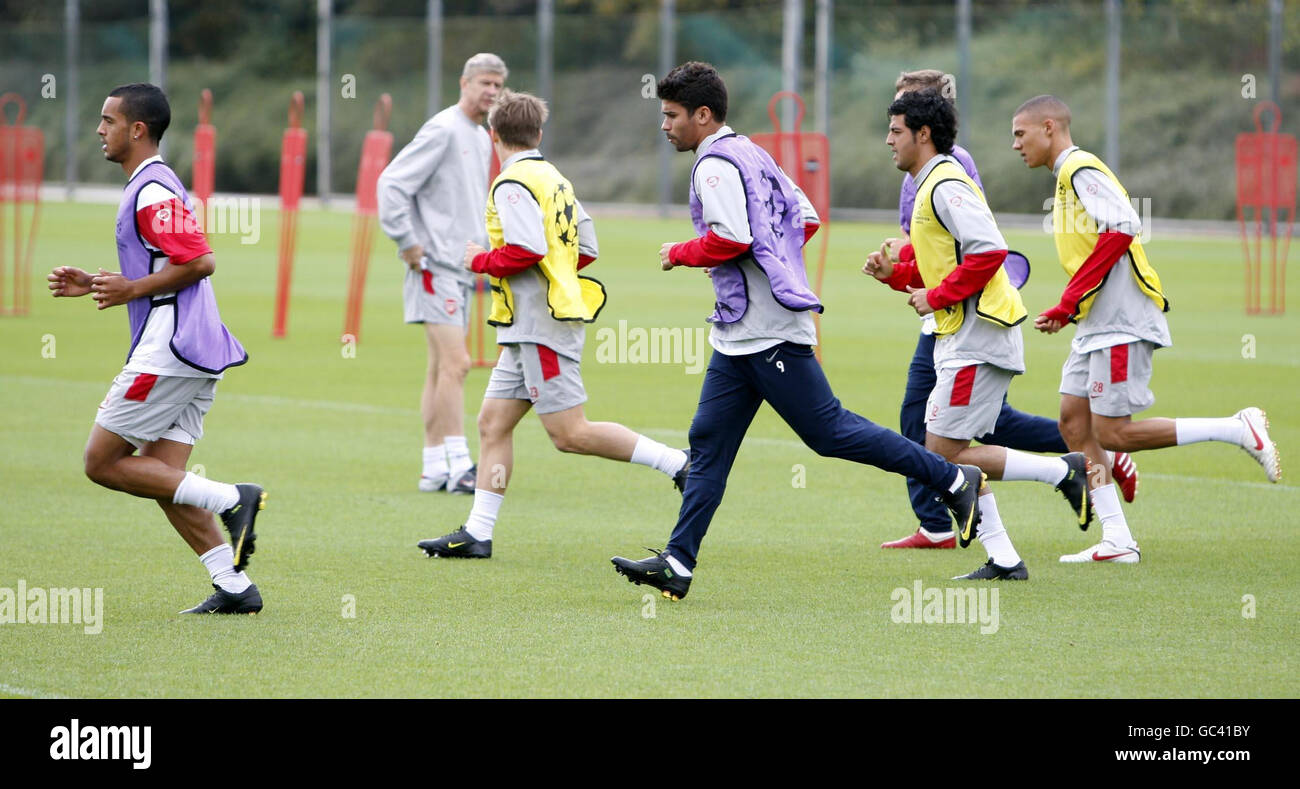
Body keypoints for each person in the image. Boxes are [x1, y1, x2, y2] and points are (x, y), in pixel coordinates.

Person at [610, 62, 990, 599]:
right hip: (738, 333)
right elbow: (803, 216)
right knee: (709, 442)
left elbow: (732, 238)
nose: (664, 125)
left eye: (671, 116)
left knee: (829, 432)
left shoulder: (713, 165)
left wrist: (679, 253)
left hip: (767, 331)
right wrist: (781, 264)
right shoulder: (752, 151)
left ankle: (954, 479)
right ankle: (678, 561)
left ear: (702, 115)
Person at [416, 90, 689, 559]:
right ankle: (478, 533)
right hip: (527, 325)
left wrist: (479, 260)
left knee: (570, 435)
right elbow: (586, 247)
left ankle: (680, 465)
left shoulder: (512, 182)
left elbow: (526, 250)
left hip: (542, 325)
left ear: (492, 135)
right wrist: (555, 277)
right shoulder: (555, 178)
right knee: (491, 424)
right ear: (539, 134)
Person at [1012, 94, 1282, 564]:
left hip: (1120, 320)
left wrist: (1070, 299)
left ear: (1049, 127)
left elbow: (1122, 227)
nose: (1015, 144)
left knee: (1113, 433)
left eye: (1020, 133)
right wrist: (1074, 309)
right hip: (1096, 322)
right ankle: (1117, 539)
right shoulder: (1063, 178)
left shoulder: (1078, 168)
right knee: (1074, 424)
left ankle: (1237, 428)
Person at [879, 69, 1139, 552]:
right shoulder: (926, 179)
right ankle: (1001, 555)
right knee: (954, 441)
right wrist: (896, 275)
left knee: (943, 449)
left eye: (895, 129)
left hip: (977, 330)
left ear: (923, 131)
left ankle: (1064, 468)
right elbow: (943, 260)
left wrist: (934, 297)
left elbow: (986, 251)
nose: (887, 139)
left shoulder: (945, 180)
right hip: (960, 328)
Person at [47, 83, 266, 614]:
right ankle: (234, 588)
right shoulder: (151, 186)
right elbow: (163, 264)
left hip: (171, 348)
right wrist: (105, 284)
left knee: (101, 461)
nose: (100, 129)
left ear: (136, 129)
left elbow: (200, 261)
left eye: (108, 120)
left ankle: (235, 498)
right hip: (191, 347)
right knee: (165, 478)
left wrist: (131, 288)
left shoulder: (152, 190)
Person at [378, 53, 506, 495]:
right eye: (485, 83)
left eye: (497, 85)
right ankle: (459, 463)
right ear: (464, 83)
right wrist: (408, 242)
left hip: (460, 266)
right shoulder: (443, 128)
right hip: (435, 265)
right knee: (458, 363)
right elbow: (392, 183)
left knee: (439, 367)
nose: (491, 92)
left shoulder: (481, 135)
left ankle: (433, 466)